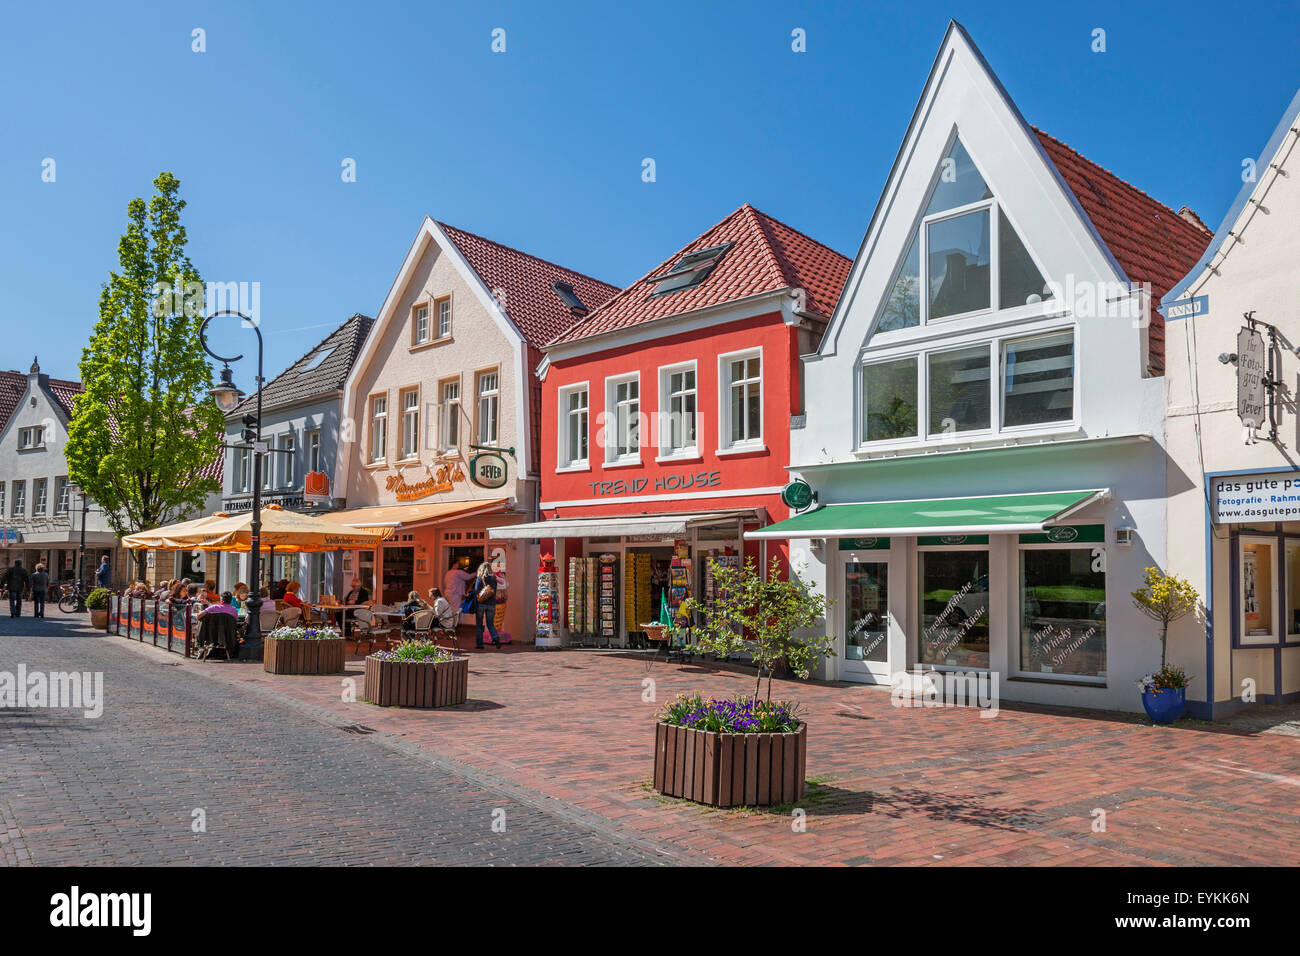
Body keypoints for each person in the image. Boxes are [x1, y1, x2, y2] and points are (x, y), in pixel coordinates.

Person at [470, 561, 500, 649]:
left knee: (479, 624)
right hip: (491, 604)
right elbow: (494, 591)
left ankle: (480, 644)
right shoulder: (494, 578)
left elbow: (476, 590)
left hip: (481, 604)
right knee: (490, 623)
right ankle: (495, 637)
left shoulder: (480, 578)